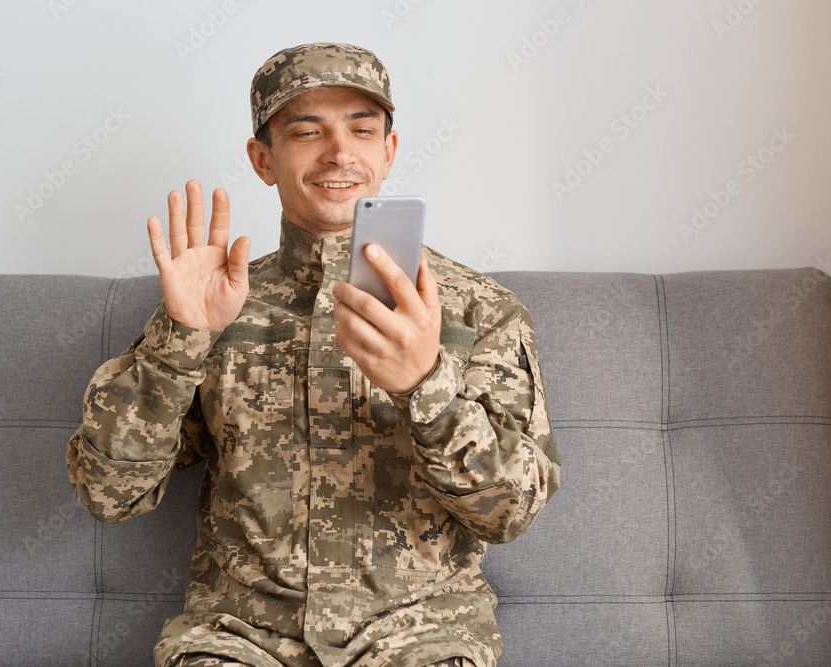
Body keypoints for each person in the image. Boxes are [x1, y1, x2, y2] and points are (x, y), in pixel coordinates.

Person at [67, 42, 561, 667]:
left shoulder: (479, 312)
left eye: (362, 129)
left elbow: (510, 511)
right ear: (263, 159)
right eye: (307, 131)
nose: (339, 153)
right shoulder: (217, 302)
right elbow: (109, 495)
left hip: (421, 641)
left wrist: (426, 388)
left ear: (389, 150)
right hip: (241, 640)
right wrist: (181, 341)